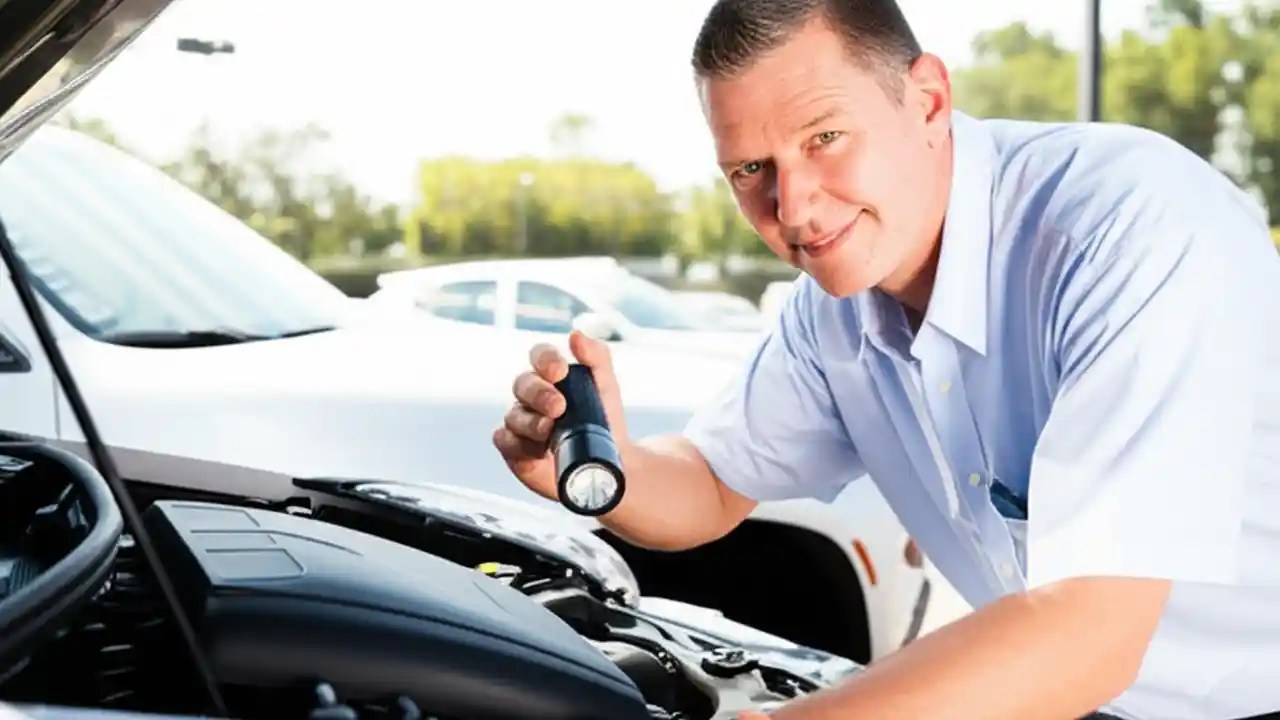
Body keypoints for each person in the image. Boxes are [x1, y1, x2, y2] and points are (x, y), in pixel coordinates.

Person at [492, 0, 1280, 717]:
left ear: (928, 99)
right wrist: (605, 471)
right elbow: (711, 482)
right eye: (750, 170)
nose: (792, 207)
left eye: (824, 138)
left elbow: (1090, 630)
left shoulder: (1130, 231)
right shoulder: (835, 310)